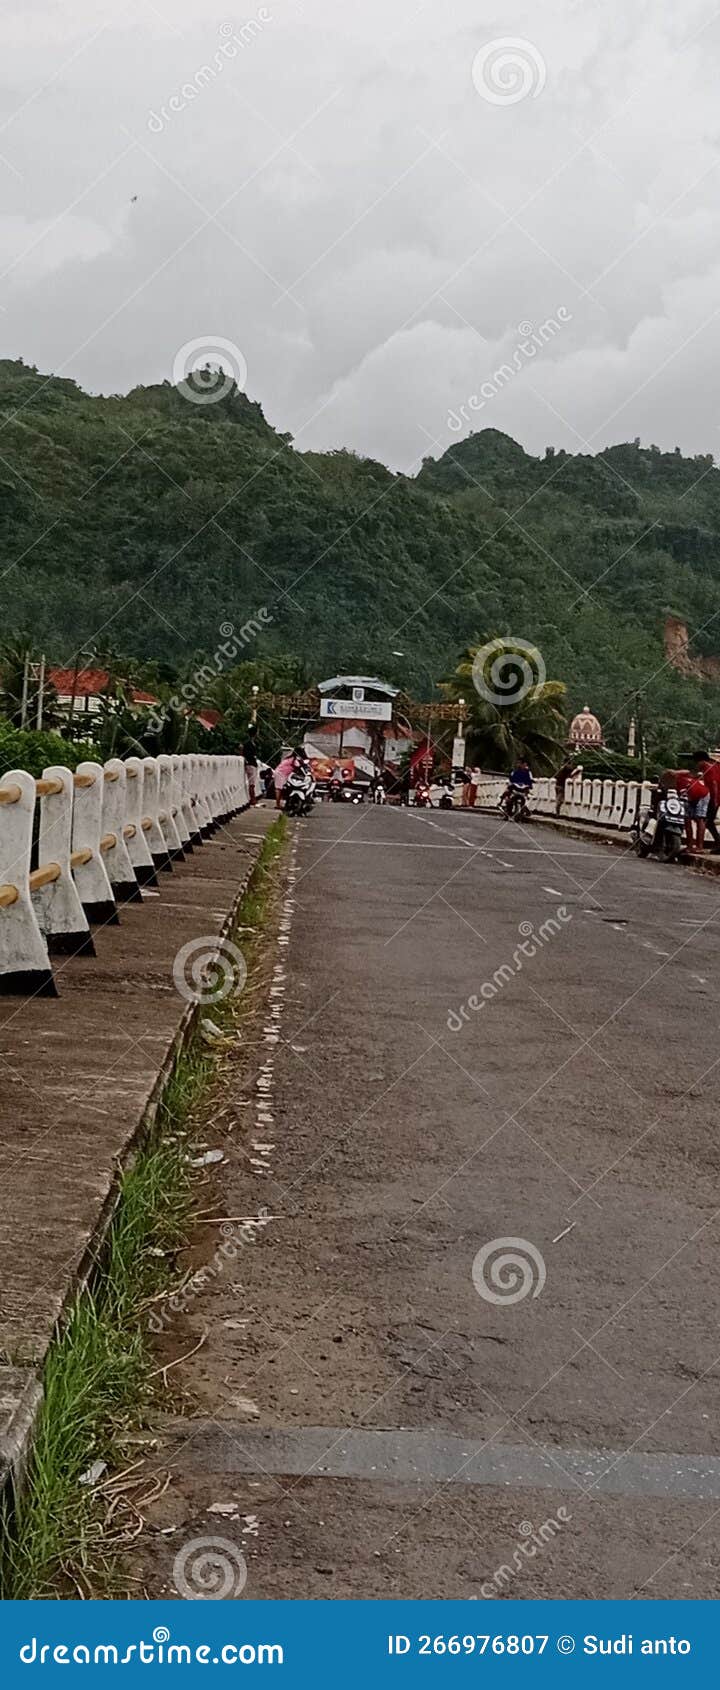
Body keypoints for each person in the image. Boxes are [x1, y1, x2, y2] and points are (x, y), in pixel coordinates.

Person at [692, 752, 720, 851]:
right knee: (708, 821)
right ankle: (718, 843)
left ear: (701, 761)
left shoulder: (709, 769)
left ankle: (717, 843)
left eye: (697, 763)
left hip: (714, 798)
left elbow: (714, 784)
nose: (696, 765)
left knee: (705, 821)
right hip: (713, 798)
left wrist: (715, 800)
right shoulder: (712, 767)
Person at [685, 772, 709, 854]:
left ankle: (700, 846)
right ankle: (689, 845)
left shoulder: (682, 781)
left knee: (700, 818)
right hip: (691, 796)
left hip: (702, 795)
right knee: (687, 819)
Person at [242, 723, 259, 805]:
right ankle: (253, 799)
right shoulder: (248, 744)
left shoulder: (252, 743)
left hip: (253, 764)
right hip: (250, 764)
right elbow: (245, 754)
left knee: (252, 783)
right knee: (251, 784)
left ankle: (253, 798)